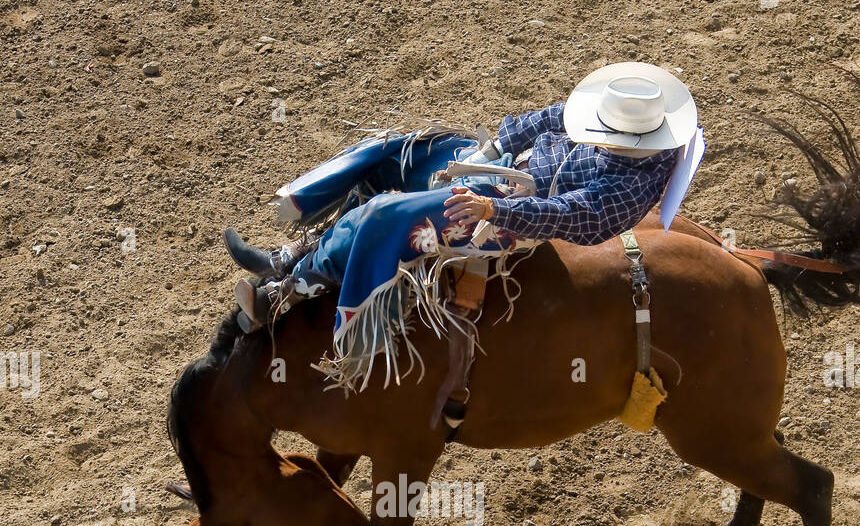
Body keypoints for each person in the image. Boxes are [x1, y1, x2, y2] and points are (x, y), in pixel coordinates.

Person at [228, 62, 699, 332]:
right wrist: (495, 147)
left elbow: (573, 215)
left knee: (389, 215)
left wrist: (496, 208)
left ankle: (285, 293)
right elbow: (553, 116)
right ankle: (293, 252)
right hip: (503, 171)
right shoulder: (619, 122)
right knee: (400, 153)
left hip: (516, 220)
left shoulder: (630, 188)